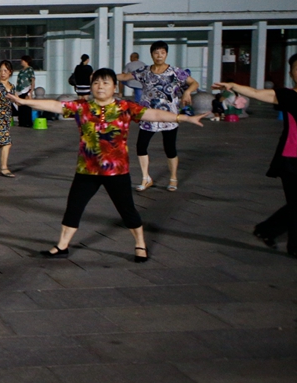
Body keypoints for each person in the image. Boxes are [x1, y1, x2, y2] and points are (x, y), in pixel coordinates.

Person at [13, 68, 206, 262]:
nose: (100, 87)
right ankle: (62, 246)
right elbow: (55, 105)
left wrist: (184, 117)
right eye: (96, 83)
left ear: (115, 87)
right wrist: (24, 102)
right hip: (87, 170)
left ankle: (140, 243)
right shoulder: (82, 106)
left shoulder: (125, 107)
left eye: (105, 83)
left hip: (116, 171)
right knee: (73, 208)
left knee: (127, 209)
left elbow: (153, 115)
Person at [215, 53, 297, 258]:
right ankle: (296, 247)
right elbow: (255, 92)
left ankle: (267, 229)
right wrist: (233, 85)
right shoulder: (286, 95)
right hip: (292, 157)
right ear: (290, 73)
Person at [117, 41, 200, 192]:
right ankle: (145, 178)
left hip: (169, 115)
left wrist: (187, 92)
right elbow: (124, 76)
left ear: (166, 54)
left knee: (169, 148)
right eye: (156, 53)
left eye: (162, 53)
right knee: (141, 146)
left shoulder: (175, 72)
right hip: (148, 115)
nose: (159, 56)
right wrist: (104, 76)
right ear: (151, 54)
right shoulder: (145, 71)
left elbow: (194, 83)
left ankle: (173, 177)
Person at [14, 56, 36, 129]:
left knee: (27, 106)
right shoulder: (21, 71)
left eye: (22, 60)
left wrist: (31, 91)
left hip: (26, 89)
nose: (21, 61)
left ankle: (27, 122)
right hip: (20, 90)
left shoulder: (30, 69)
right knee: (20, 106)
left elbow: (32, 80)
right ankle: (22, 122)